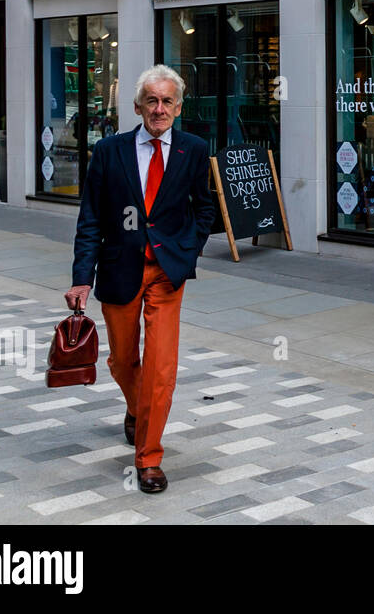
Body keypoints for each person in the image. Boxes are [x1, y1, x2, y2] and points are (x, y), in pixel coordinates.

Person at [64, 65, 215, 493]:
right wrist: (81, 279)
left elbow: (203, 208)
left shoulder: (193, 149)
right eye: (152, 100)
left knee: (161, 367)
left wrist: (189, 250)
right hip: (119, 267)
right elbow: (90, 218)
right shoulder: (110, 152)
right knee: (122, 360)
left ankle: (148, 457)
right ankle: (137, 408)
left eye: (168, 101)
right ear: (137, 106)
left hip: (167, 275)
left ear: (179, 108)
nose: (159, 108)